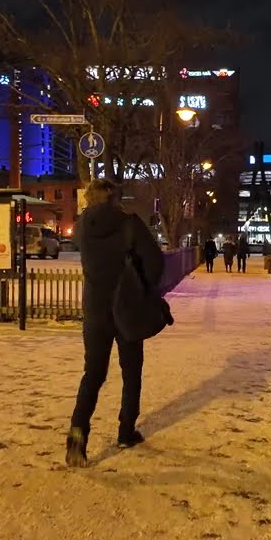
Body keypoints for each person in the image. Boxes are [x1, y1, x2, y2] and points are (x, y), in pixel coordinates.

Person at [66, 179, 165, 467]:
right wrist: (142, 284)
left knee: (93, 374)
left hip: (95, 310)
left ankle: (77, 433)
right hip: (127, 307)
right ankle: (125, 431)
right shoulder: (129, 224)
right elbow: (156, 262)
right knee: (131, 370)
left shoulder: (83, 227)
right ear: (114, 198)